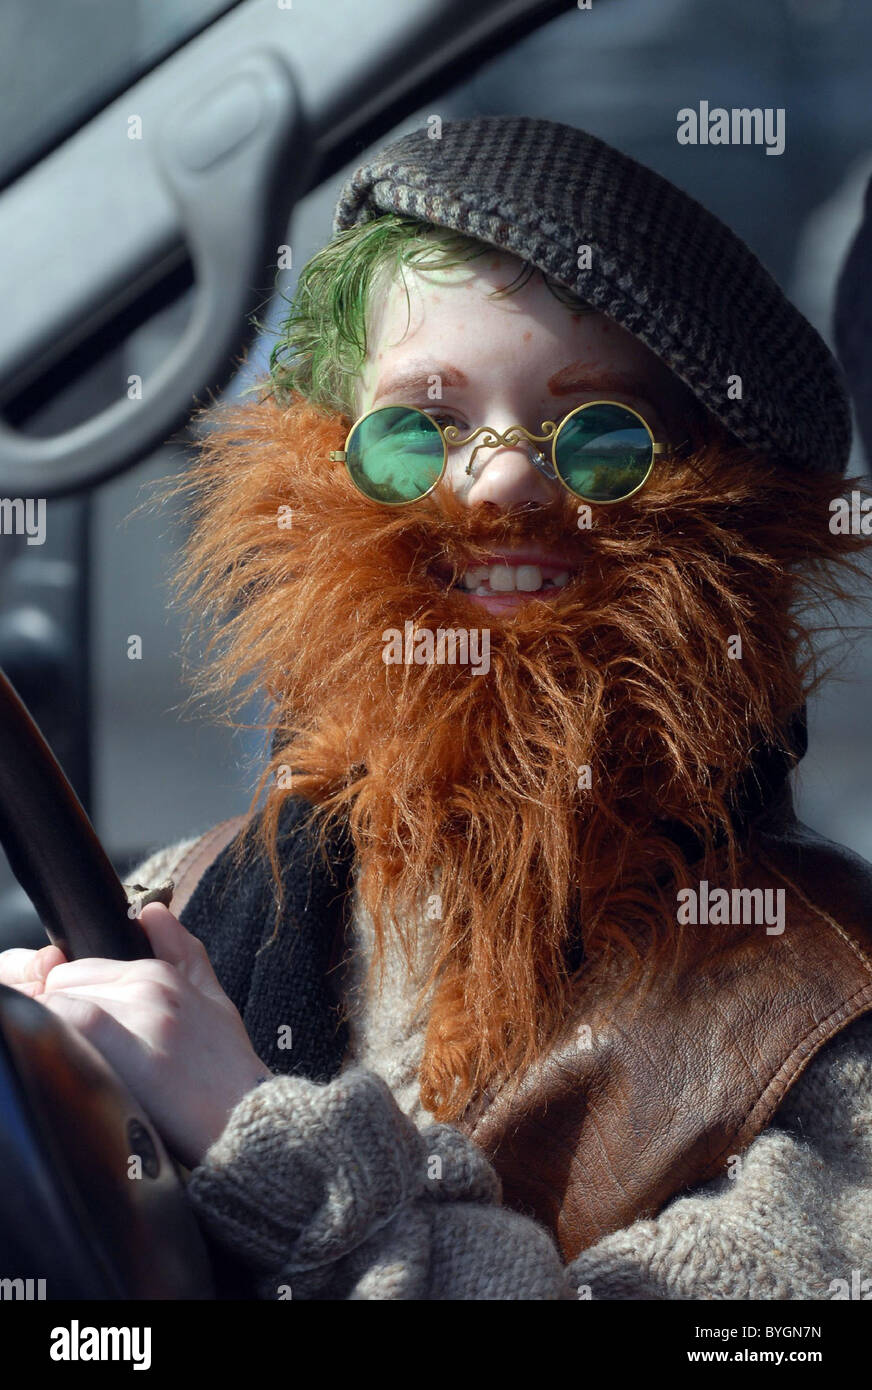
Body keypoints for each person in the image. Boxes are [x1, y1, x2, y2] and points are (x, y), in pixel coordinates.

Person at [3, 116, 872, 1300]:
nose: (503, 476)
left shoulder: (820, 1023)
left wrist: (249, 1126)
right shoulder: (196, 900)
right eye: (417, 428)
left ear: (731, 509)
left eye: (600, 436)